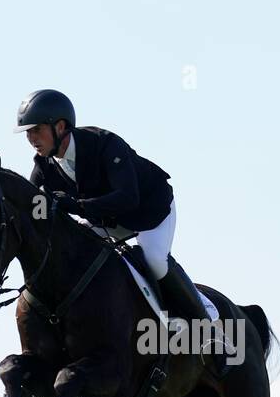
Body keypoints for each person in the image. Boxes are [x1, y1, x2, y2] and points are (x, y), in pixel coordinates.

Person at [15, 89, 227, 375]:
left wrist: (75, 205)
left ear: (61, 126)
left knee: (152, 258)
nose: (31, 139)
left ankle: (206, 320)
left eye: (36, 130)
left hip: (148, 210)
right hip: (104, 219)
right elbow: (36, 211)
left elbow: (128, 198)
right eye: (28, 132)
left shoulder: (104, 144)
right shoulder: (44, 166)